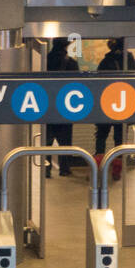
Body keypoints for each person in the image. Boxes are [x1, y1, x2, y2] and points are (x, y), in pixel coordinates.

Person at [94, 38, 135, 182]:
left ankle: (99, 168)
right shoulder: (133, 62)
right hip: (125, 107)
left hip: (106, 106)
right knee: (119, 140)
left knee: (101, 136)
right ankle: (116, 172)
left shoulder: (106, 62)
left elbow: (98, 84)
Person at [45, 37, 79, 177]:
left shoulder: (44, 61)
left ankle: (46, 169)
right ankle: (64, 169)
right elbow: (77, 85)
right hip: (65, 106)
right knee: (65, 140)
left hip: (47, 105)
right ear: (66, 46)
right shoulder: (71, 63)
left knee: (46, 140)